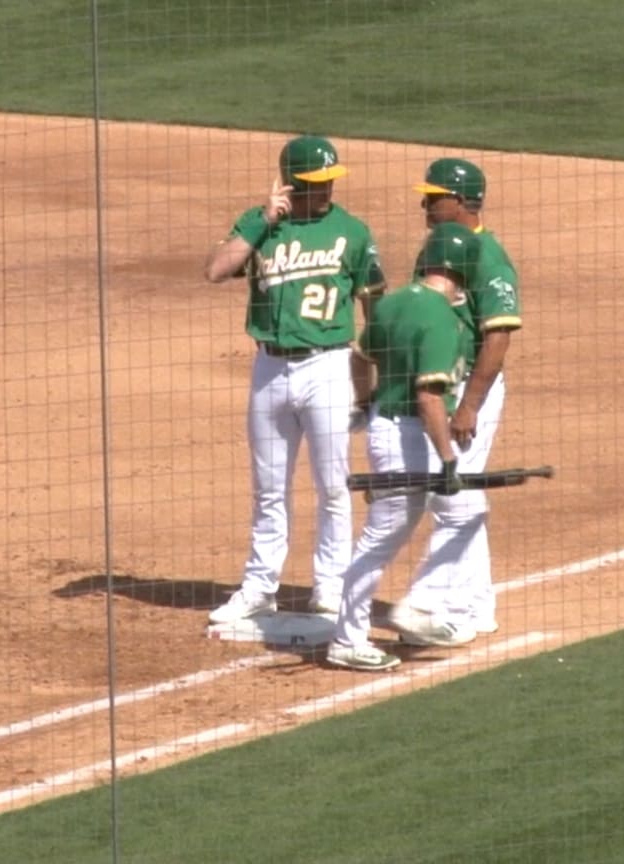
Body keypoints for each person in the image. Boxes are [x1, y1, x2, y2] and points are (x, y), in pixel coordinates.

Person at [203, 134, 386, 624]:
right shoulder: (261, 225)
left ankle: (330, 586)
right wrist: (265, 220)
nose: (325, 192)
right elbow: (216, 269)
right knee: (268, 488)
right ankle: (260, 586)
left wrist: (369, 378)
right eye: (313, 184)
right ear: (289, 184)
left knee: (332, 485)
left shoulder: (352, 231)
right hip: (269, 368)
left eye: (329, 182)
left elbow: (375, 307)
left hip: (328, 365)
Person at [324, 223, 479, 672]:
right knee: (381, 538)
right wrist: (449, 459)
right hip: (411, 437)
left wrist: (366, 400)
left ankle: (420, 610)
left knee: (464, 513)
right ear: (463, 272)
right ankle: (348, 639)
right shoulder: (442, 320)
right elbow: (429, 397)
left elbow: (360, 356)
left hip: (388, 428)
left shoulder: (392, 304)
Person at [391, 157, 522, 640]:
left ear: (464, 202)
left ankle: (442, 606)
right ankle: (474, 605)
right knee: (459, 493)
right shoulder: (438, 247)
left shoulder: (487, 256)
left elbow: (499, 336)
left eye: (435, 197)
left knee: (454, 494)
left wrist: (470, 405)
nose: (425, 205)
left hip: (473, 390)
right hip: (442, 387)